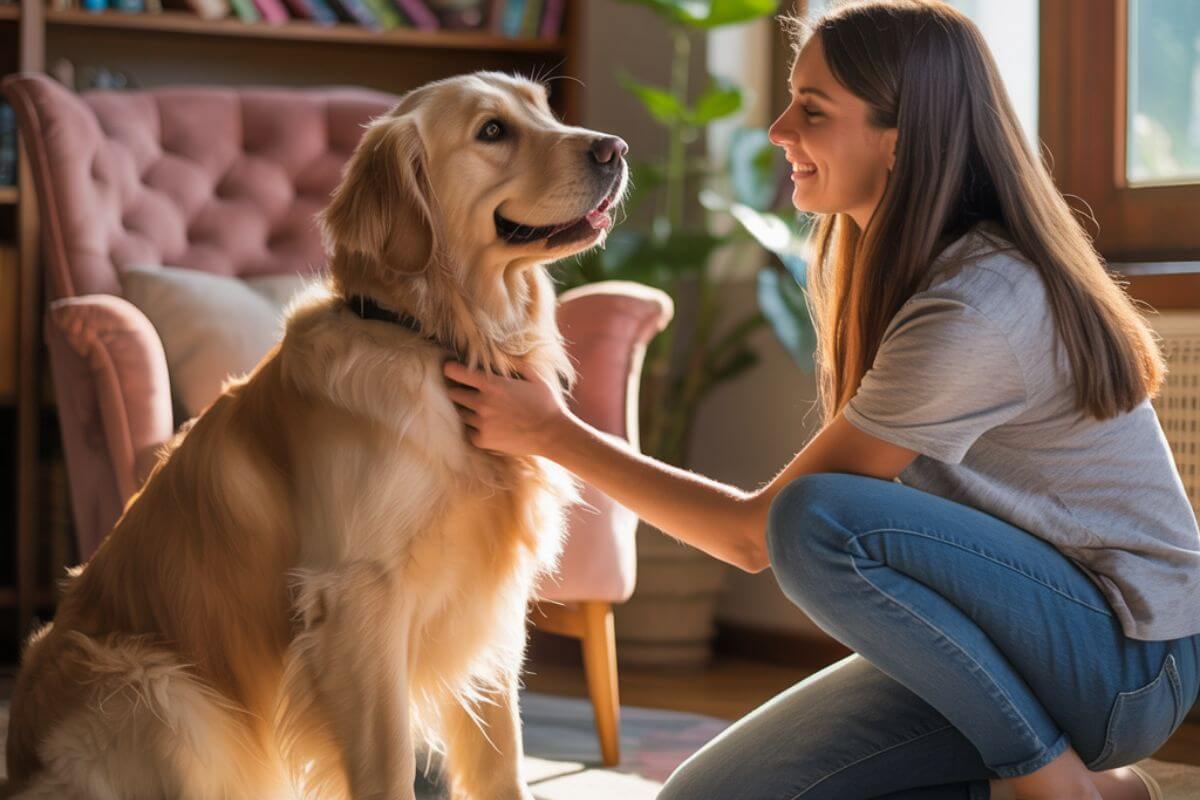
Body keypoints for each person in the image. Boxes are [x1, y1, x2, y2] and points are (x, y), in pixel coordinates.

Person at [439, 1, 1200, 797]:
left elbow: (757, 535)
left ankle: (1053, 782)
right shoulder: (904, 272)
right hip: (1012, 645)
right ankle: (1104, 790)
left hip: (1123, 665)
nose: (777, 129)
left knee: (816, 517)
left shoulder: (977, 303)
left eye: (812, 109)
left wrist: (552, 433)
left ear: (900, 140)